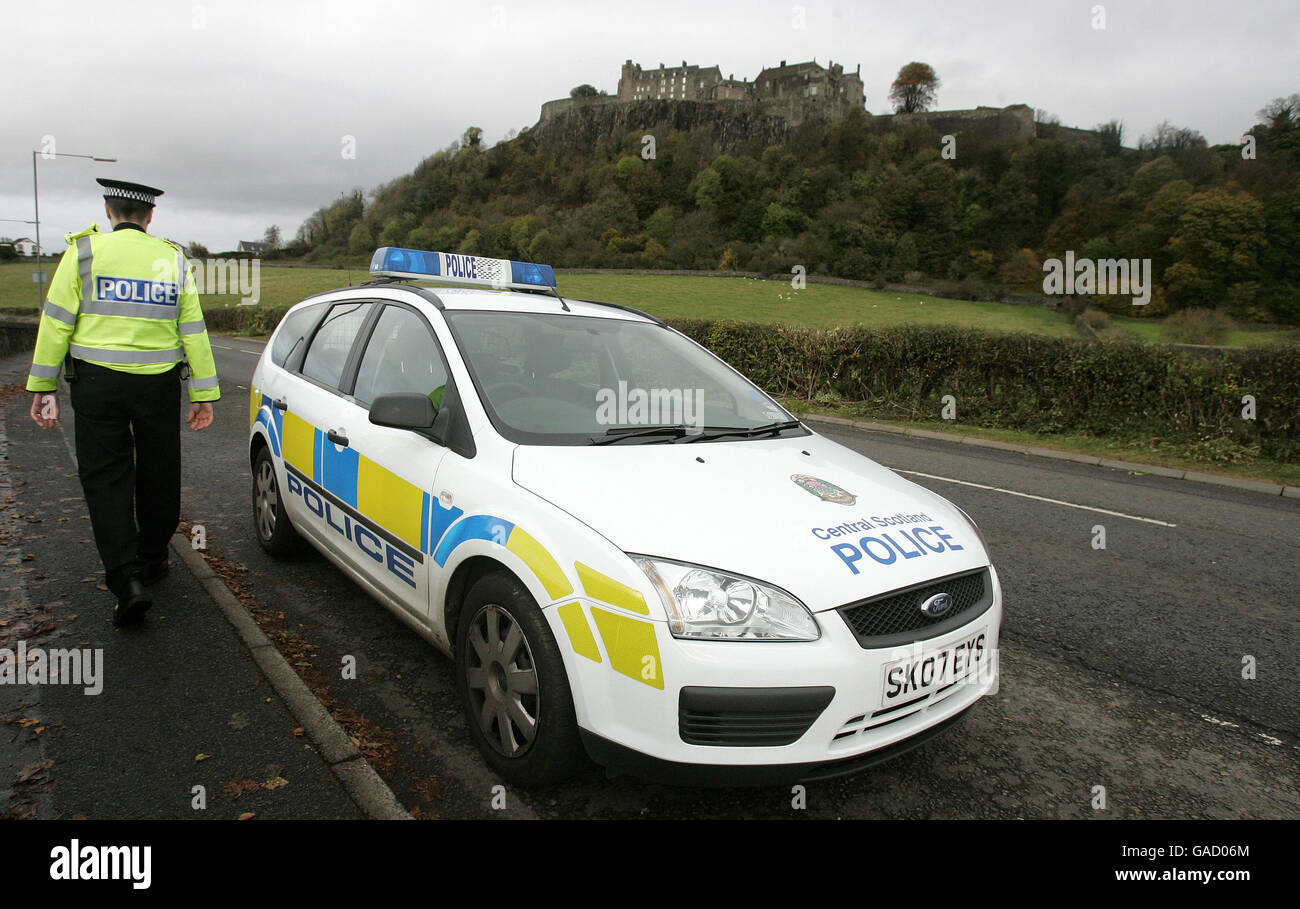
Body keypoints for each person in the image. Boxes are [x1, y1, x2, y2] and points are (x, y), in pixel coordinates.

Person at [26, 178, 221, 627]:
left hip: (97, 386)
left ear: (110, 212)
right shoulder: (172, 258)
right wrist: (204, 394)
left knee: (106, 479)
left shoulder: (83, 252)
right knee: (159, 470)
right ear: (149, 217)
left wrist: (42, 386)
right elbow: (193, 329)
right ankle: (152, 559)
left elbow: (55, 322)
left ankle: (125, 578)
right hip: (158, 385)